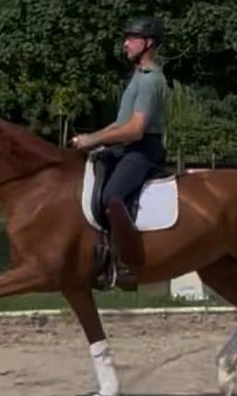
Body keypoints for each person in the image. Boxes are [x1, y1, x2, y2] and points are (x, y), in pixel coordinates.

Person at [70, 16, 169, 289]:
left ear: (148, 43)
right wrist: (92, 141)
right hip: (126, 146)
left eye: (131, 39)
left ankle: (126, 264)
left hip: (143, 150)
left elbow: (135, 129)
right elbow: (119, 124)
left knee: (112, 196)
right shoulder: (138, 76)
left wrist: (93, 138)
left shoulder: (151, 80)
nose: (125, 44)